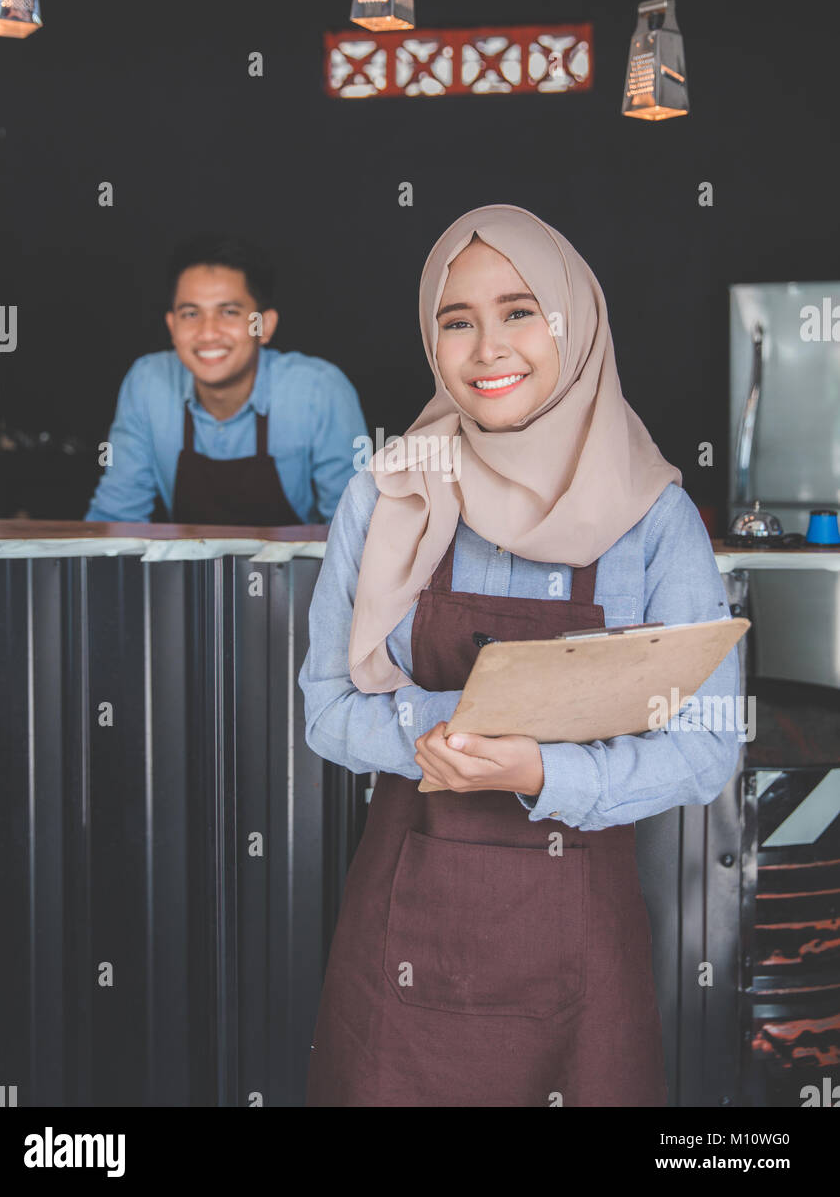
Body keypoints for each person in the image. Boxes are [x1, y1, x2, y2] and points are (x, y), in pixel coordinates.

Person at [298, 203, 744, 1108]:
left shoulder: (655, 518)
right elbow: (325, 708)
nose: (487, 348)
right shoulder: (387, 494)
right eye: (456, 321)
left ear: (571, 325)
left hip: (575, 947)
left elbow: (706, 747)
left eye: (519, 311)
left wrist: (545, 772)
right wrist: (446, 731)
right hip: (405, 942)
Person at [85, 234, 367, 525]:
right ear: (172, 326)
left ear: (265, 325)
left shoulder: (319, 390)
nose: (208, 333)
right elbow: (117, 518)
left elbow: (355, 530)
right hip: (188, 571)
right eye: (191, 313)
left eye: (229, 312)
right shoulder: (147, 383)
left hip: (304, 572)